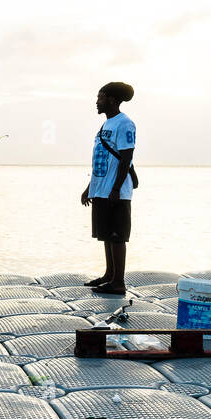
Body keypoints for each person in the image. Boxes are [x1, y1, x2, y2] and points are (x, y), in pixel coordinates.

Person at [81, 82, 137, 294]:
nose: (97, 101)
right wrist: (90, 188)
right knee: (106, 235)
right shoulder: (106, 125)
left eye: (101, 97)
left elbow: (125, 159)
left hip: (117, 192)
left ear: (112, 100)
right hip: (102, 189)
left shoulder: (125, 124)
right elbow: (100, 160)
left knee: (117, 236)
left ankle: (119, 282)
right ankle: (109, 275)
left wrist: (116, 188)